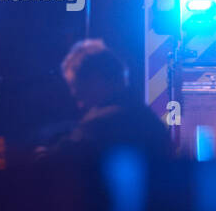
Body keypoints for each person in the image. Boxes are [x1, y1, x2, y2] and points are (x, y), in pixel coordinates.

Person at [42, 39, 172, 161]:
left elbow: (61, 160)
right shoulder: (149, 120)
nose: (75, 94)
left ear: (96, 81)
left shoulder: (98, 126)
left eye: (76, 86)